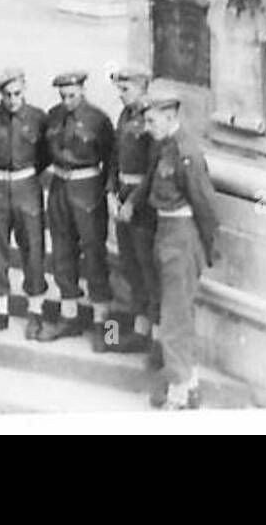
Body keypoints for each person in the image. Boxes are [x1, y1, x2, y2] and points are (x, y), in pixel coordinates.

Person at [127, 80, 221, 411]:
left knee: (174, 320)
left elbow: (206, 207)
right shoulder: (163, 146)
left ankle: (179, 393)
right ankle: (189, 382)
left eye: (152, 120)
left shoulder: (185, 154)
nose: (147, 127)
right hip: (165, 235)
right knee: (175, 312)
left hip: (181, 240)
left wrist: (207, 251)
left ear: (170, 116)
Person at [37, 70, 115, 344]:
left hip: (88, 189)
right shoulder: (54, 116)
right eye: (63, 96)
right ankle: (69, 316)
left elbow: (111, 159)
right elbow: (43, 154)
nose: (68, 101)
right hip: (59, 186)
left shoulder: (98, 119)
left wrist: (107, 192)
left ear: (83, 89)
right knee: (61, 251)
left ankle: (105, 327)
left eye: (72, 95)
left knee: (94, 254)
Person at [0, 67, 49, 344]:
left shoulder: (37, 118)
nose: (12, 99)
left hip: (26, 186)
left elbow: (44, 155)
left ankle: (35, 309)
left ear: (25, 89)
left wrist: (26, 176)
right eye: (6, 95)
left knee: (33, 247)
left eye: (17, 93)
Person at [99, 67, 157, 355]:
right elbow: (114, 159)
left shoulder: (150, 120)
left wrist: (133, 202)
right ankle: (136, 328)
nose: (121, 96)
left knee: (145, 267)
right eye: (120, 90)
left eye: (126, 90)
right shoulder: (124, 117)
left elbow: (152, 170)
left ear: (142, 88)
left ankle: (148, 332)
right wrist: (110, 192)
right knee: (129, 265)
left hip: (141, 205)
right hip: (121, 196)